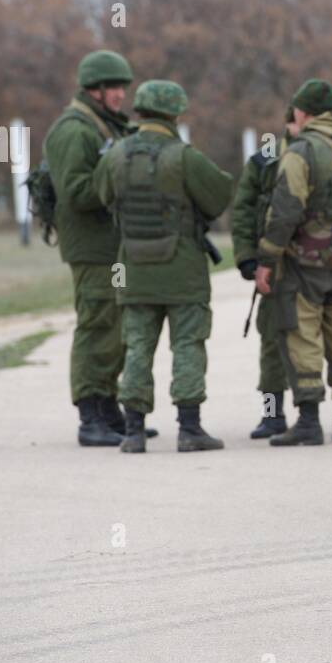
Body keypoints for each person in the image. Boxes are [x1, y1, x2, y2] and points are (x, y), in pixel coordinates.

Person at [92, 80, 234, 453]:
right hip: (182, 269)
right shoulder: (184, 156)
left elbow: (103, 196)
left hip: (133, 269)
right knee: (187, 344)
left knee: (137, 346)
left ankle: (134, 433)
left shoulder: (115, 156)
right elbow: (219, 196)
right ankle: (189, 430)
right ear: (175, 112)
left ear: (139, 109)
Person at [254, 79, 332, 446]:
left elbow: (285, 210)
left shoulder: (300, 150)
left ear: (301, 112)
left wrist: (267, 258)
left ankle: (308, 421)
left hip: (302, 262)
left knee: (302, 334)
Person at [42, 49, 149, 446]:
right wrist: (119, 171)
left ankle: (109, 410)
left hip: (113, 246)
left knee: (116, 327)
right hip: (92, 247)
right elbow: (76, 193)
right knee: (96, 325)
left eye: (123, 86)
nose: (122, 94)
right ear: (94, 90)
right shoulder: (75, 130)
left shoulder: (106, 125)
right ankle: (90, 417)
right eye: (114, 87)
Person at [232, 108, 293, 439]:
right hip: (276, 266)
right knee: (272, 341)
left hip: (321, 267)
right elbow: (242, 211)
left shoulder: (331, 154)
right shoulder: (264, 161)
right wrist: (247, 259)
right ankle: (273, 415)